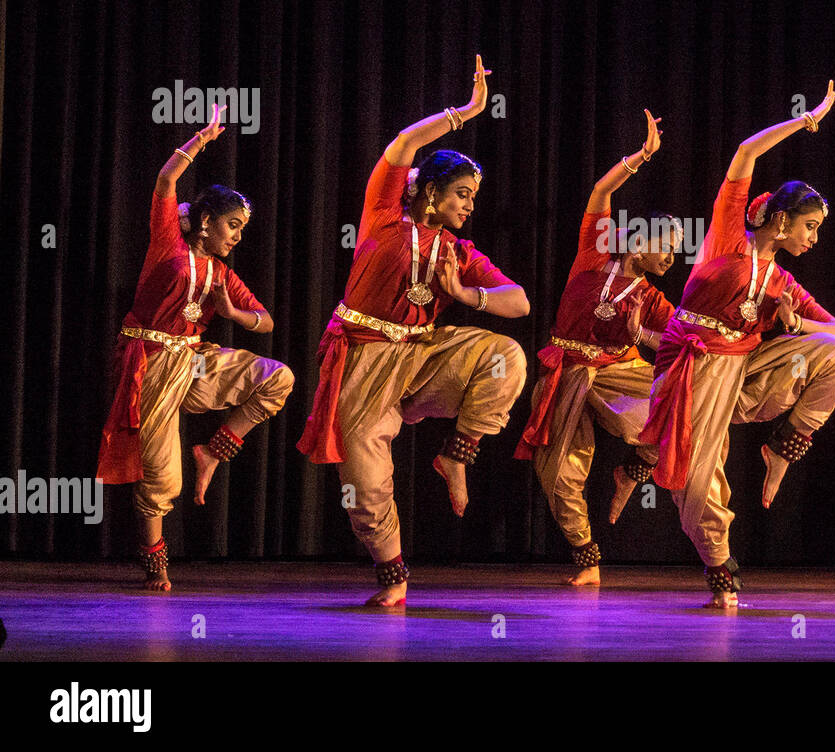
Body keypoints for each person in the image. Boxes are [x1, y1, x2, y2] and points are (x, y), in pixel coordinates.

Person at [297, 56, 530, 607]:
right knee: (364, 471)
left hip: (422, 352)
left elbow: (518, 302)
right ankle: (393, 572)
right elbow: (402, 144)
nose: (470, 206)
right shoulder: (381, 215)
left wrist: (468, 294)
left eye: (473, 197)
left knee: (508, 356)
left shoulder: (458, 251)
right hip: (364, 354)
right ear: (430, 193)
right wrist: (467, 111)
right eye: (463, 195)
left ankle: (457, 453)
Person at [640, 83, 835, 607]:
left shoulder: (785, 284)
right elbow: (745, 153)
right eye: (809, 226)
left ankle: (783, 450)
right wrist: (808, 121)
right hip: (693, 367)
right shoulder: (726, 240)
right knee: (693, 480)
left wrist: (796, 325)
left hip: (745, 370)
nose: (814, 238)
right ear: (780, 220)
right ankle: (719, 564)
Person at [98, 104, 295, 592]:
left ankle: (212, 450)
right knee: (165, 480)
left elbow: (266, 322)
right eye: (233, 226)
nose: (238, 236)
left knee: (278, 377)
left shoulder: (223, 275)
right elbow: (166, 181)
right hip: (148, 365)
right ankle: (154, 563)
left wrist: (231, 315)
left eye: (242, 229)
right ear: (205, 221)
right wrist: (201, 140)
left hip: (193, 360)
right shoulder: (167, 243)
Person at [515, 110, 679, 585]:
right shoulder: (593, 258)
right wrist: (643, 157)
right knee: (559, 474)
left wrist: (640, 336)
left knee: (677, 400)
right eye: (666, 245)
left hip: (619, 371)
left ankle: (633, 470)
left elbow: (681, 342)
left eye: (677, 248)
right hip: (565, 370)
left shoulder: (654, 300)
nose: (671, 256)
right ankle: (588, 560)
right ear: (637, 241)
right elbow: (600, 194)